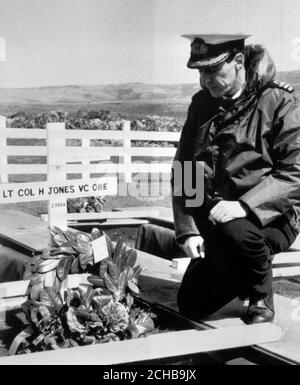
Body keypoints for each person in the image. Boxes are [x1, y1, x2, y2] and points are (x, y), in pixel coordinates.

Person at [136, 34, 300, 325]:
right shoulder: (202, 104)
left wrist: (247, 206)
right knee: (192, 304)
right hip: (217, 220)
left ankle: (261, 294)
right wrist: (186, 230)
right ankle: (239, 272)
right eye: (200, 71)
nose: (204, 80)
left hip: (273, 219)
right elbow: (185, 167)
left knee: (236, 232)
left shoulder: (279, 101)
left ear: (238, 62)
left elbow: (294, 173)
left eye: (212, 70)